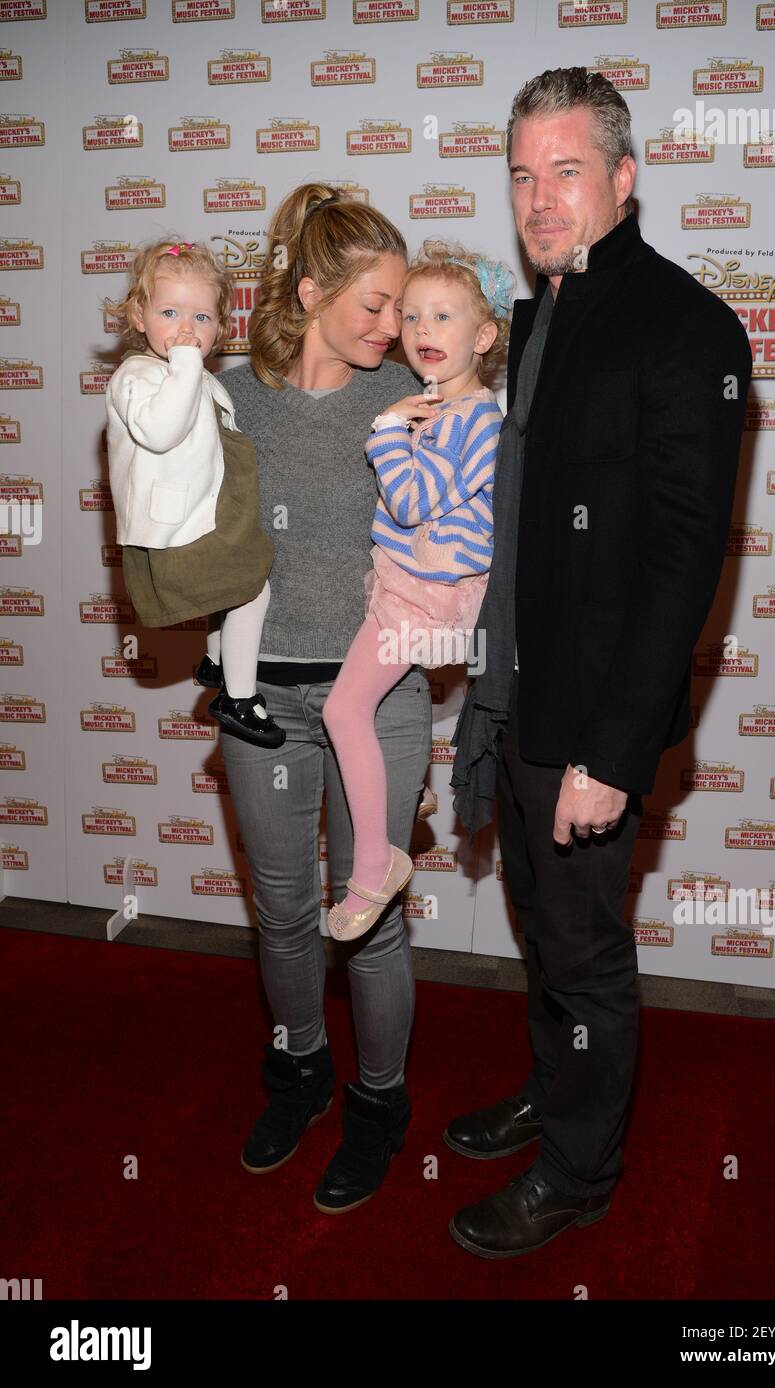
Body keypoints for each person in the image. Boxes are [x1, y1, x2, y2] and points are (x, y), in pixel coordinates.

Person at [447, 67, 753, 1258]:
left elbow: (682, 565)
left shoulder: (687, 328)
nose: (539, 198)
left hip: (588, 726)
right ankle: (553, 1089)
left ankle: (579, 1170)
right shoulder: (537, 316)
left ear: (624, 179)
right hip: (518, 696)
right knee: (542, 930)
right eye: (522, 175)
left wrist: (611, 752)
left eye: (564, 171)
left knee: (585, 951)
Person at [217, 185, 433, 1215]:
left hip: (377, 697)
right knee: (284, 908)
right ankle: (297, 1072)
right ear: (310, 291)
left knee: (373, 917)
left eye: (400, 306)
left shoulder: (407, 398)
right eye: (375, 303)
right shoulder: (229, 394)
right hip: (265, 699)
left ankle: (379, 1105)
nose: (392, 327)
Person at [322, 239, 514, 941]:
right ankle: (412, 795)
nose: (423, 331)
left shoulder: (476, 421)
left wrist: (383, 434)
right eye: (412, 317)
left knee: (344, 712)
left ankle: (375, 864)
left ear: (484, 335)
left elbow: (410, 500)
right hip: (413, 588)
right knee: (374, 711)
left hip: (429, 600)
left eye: (443, 316)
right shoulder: (440, 408)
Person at [104, 238, 284, 749]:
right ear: (139, 316)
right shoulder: (137, 376)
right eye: (169, 312)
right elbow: (162, 431)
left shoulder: (194, 378)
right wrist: (187, 363)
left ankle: (216, 660)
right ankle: (239, 698)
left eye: (202, 318)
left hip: (209, 513)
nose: (187, 329)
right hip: (176, 526)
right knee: (250, 591)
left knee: (230, 591)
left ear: (222, 328)